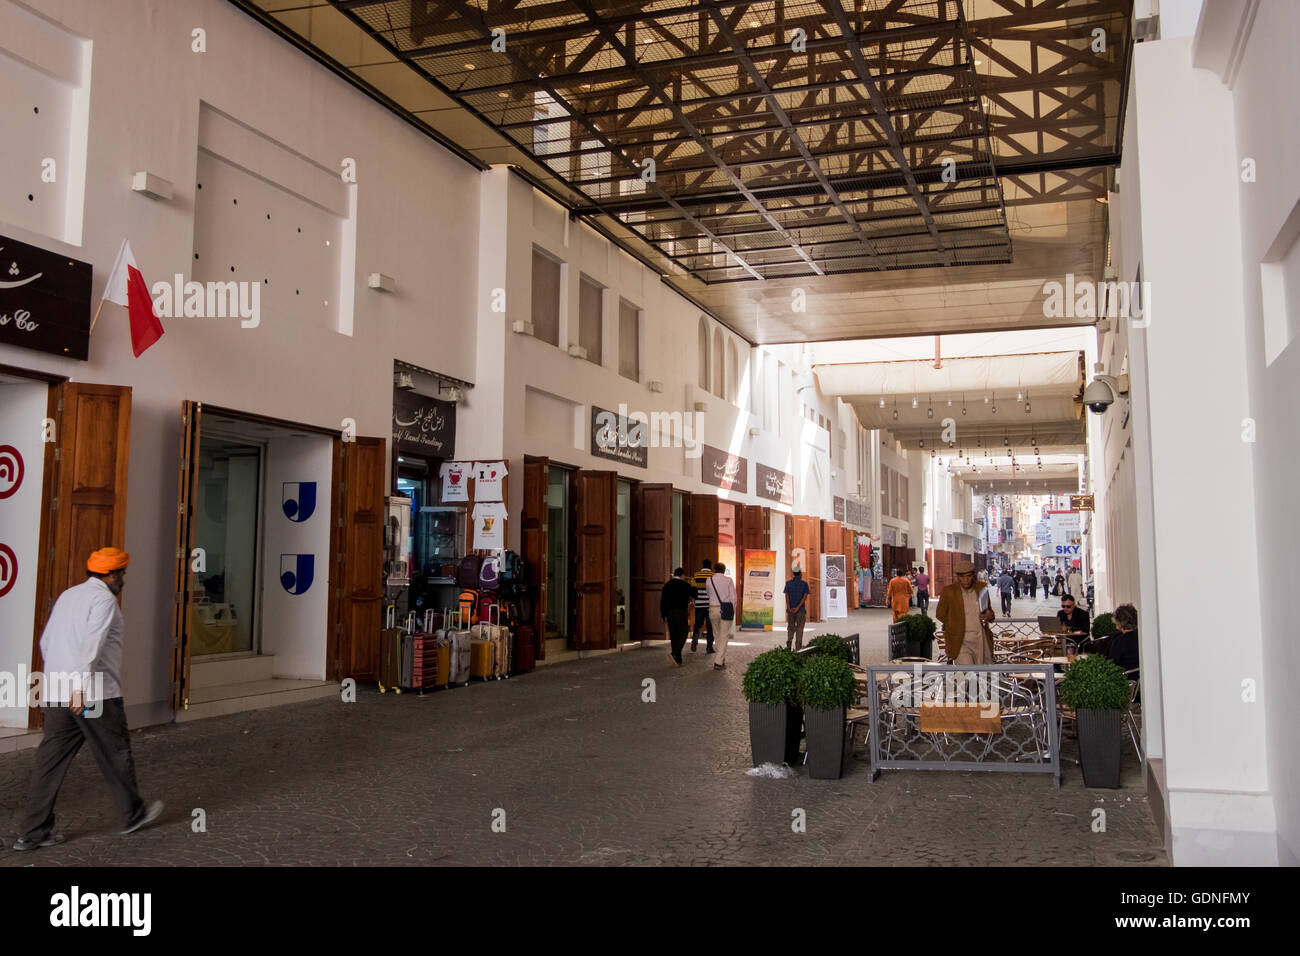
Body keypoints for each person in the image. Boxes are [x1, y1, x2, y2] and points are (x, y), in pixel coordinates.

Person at [14, 548, 163, 851]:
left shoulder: (69, 596)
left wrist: (60, 683)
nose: (123, 579)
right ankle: (132, 815)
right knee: (115, 753)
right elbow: (91, 646)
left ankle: (33, 832)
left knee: (50, 762)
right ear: (111, 575)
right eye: (121, 574)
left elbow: (46, 641)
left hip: (56, 693)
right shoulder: (105, 600)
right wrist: (79, 688)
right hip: (92, 695)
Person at [935, 560, 996, 664]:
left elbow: (989, 612)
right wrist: (954, 624)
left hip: (980, 637)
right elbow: (940, 614)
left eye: (968, 576)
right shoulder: (949, 591)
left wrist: (989, 616)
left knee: (984, 675)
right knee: (968, 673)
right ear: (957, 577)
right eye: (962, 577)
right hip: (960, 640)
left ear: (973, 575)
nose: (966, 580)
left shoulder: (981, 588)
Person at [660, 567, 694, 666]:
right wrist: (694, 586)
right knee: (683, 632)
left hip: (670, 613)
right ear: (682, 575)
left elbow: (662, 601)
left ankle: (678, 659)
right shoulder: (685, 585)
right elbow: (695, 595)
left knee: (673, 634)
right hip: (681, 612)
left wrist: (663, 615)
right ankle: (675, 653)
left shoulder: (667, 585)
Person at [1094, 603, 1139, 676]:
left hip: (1123, 678)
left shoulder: (1119, 641)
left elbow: (1110, 664)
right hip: (1138, 678)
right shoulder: (1140, 637)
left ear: (1119, 623)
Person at [707, 563, 738, 670]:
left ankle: (721, 659)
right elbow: (733, 597)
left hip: (712, 609)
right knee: (724, 635)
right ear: (724, 570)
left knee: (717, 635)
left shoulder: (709, 580)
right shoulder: (728, 580)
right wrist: (732, 610)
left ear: (714, 570)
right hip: (725, 609)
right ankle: (718, 662)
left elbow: (709, 594)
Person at [690, 559, 715, 653]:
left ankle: (695, 638)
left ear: (702, 565)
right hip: (710, 605)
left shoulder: (696, 575)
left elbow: (692, 590)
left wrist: (694, 601)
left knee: (698, 624)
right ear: (710, 566)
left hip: (699, 604)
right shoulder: (712, 576)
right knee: (710, 627)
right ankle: (709, 647)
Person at [783, 568, 811, 651]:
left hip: (791, 610)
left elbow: (786, 596)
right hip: (800, 611)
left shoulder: (788, 583)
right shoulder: (804, 584)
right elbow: (804, 597)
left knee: (790, 628)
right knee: (799, 629)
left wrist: (789, 608)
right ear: (800, 574)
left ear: (793, 573)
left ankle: (789, 644)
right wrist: (798, 607)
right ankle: (798, 648)